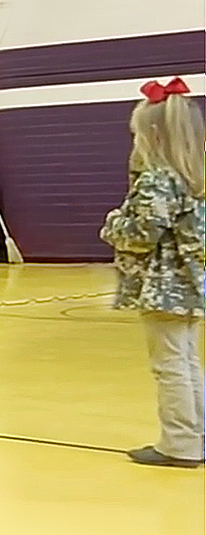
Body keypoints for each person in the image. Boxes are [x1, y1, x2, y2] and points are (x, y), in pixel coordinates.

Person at [100, 78, 205, 468]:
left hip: (164, 288)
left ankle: (179, 444)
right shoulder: (192, 176)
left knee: (169, 364)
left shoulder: (158, 179)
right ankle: (195, 437)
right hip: (190, 285)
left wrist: (112, 224)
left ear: (153, 135)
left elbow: (143, 233)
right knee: (187, 360)